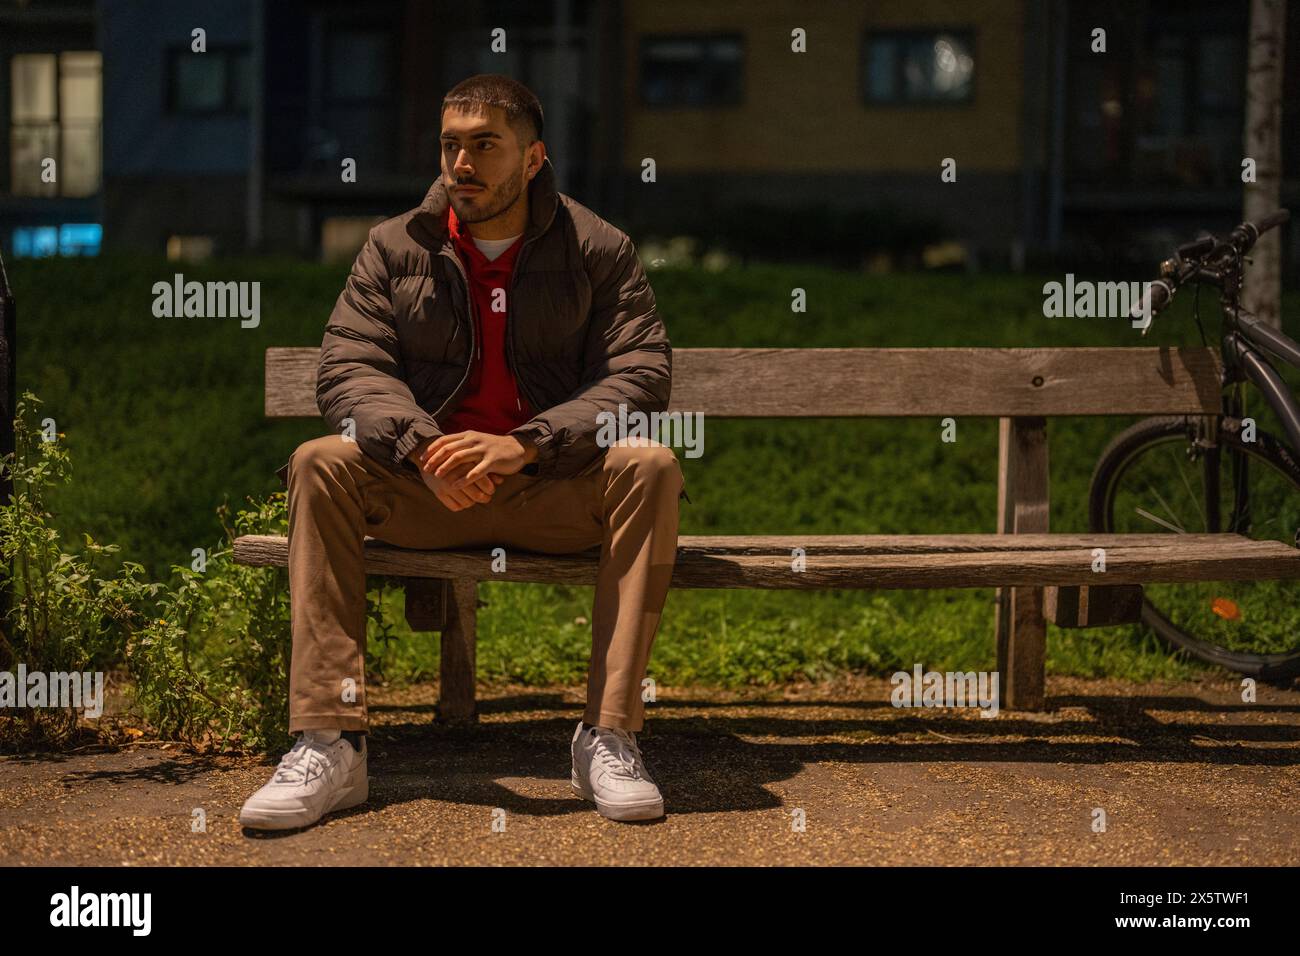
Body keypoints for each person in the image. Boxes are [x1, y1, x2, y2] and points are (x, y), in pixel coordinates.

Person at [239, 74, 684, 831]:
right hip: (427, 494)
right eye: (452, 144)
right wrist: (423, 451)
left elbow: (640, 373)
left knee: (652, 466)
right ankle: (331, 743)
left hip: (550, 490)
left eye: (485, 144)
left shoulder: (596, 246)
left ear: (534, 157)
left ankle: (608, 737)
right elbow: (348, 369)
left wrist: (526, 445)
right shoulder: (393, 246)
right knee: (320, 462)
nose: (463, 163)